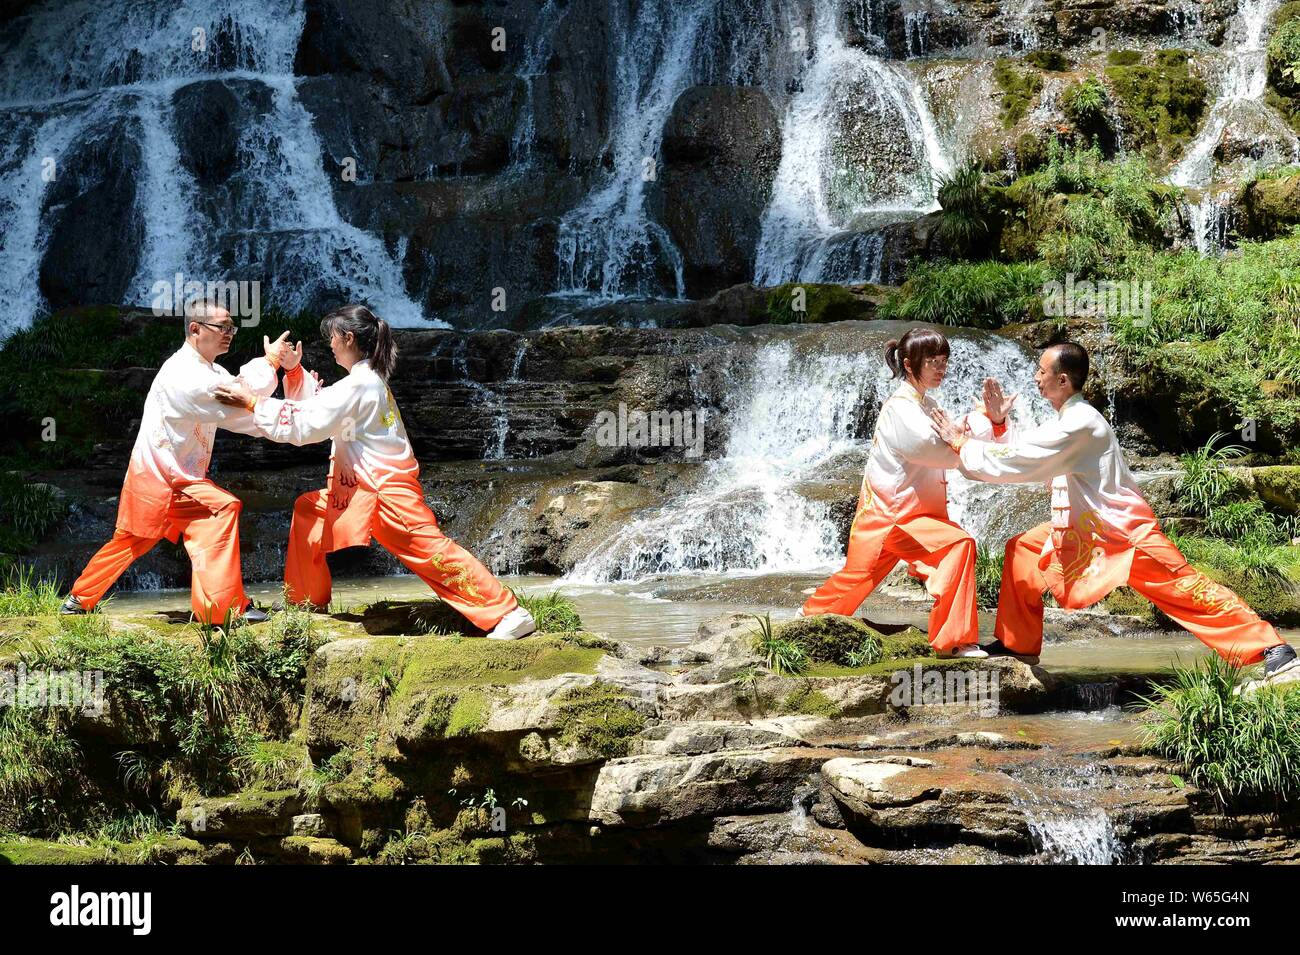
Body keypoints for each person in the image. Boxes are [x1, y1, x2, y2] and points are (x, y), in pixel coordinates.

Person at [931, 342, 1298, 679]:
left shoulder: (1080, 422)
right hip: (1085, 529)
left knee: (1182, 588)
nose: (1035, 378)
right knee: (1023, 550)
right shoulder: (1065, 419)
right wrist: (997, 424)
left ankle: (1271, 646)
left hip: (1121, 532)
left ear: (1061, 379)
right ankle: (1017, 644)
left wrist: (962, 441)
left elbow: (1024, 460)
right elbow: (1027, 453)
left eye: (1041, 372)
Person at [212, 304, 536, 640]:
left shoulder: (360, 384)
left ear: (348, 338)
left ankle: (507, 612)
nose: (331, 344)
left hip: (382, 489)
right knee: (310, 511)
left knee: (430, 550)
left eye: (333, 338)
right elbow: (321, 409)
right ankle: (307, 604)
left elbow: (308, 423)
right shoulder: (364, 381)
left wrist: (252, 401)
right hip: (362, 489)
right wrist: (293, 373)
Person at [62, 301, 291, 624]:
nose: (229, 334)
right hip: (166, 476)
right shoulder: (187, 375)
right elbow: (243, 409)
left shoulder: (205, 369)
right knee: (220, 509)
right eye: (222, 327)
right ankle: (222, 609)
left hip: (163, 473)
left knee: (133, 539)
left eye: (231, 328)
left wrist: (271, 363)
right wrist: (297, 415)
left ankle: (79, 599)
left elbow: (240, 389)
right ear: (195, 329)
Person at [800, 327, 1015, 658]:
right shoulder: (901, 407)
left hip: (906, 515)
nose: (941, 368)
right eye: (932, 361)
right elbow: (932, 447)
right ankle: (953, 640)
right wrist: (970, 431)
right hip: (893, 515)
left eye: (944, 361)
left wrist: (994, 421)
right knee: (951, 548)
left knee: (864, 576)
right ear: (909, 363)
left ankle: (808, 619)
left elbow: (954, 439)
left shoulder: (926, 403)